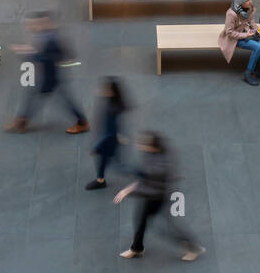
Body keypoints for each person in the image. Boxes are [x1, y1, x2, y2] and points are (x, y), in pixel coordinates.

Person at [114, 131, 204, 261]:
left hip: (157, 198)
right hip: (152, 195)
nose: (140, 145)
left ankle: (193, 247)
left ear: (153, 147)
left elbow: (150, 187)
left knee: (164, 227)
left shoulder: (160, 167)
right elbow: (145, 177)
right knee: (141, 221)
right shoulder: (150, 153)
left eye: (144, 144)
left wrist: (129, 191)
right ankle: (136, 248)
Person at [5, 12, 91, 135]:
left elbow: (50, 57)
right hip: (48, 76)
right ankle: (21, 121)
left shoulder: (51, 39)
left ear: (42, 23)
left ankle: (83, 123)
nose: (29, 27)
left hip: (51, 78)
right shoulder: (45, 35)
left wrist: (29, 53)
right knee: (35, 97)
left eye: (32, 24)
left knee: (62, 100)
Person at [85, 77, 129, 190]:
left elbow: (110, 133)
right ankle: (100, 179)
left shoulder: (112, 108)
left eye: (105, 89)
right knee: (111, 162)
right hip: (111, 139)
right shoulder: (113, 102)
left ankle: (100, 180)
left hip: (109, 141)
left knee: (115, 164)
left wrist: (97, 147)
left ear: (111, 92)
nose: (101, 90)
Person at [220, 0, 260, 87]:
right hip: (235, 38)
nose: (250, 1)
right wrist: (246, 35)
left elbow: (252, 21)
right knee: (259, 48)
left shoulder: (249, 8)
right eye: (247, 0)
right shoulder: (231, 14)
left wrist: (257, 29)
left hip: (247, 32)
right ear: (240, 3)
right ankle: (248, 73)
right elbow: (229, 32)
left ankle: (254, 67)